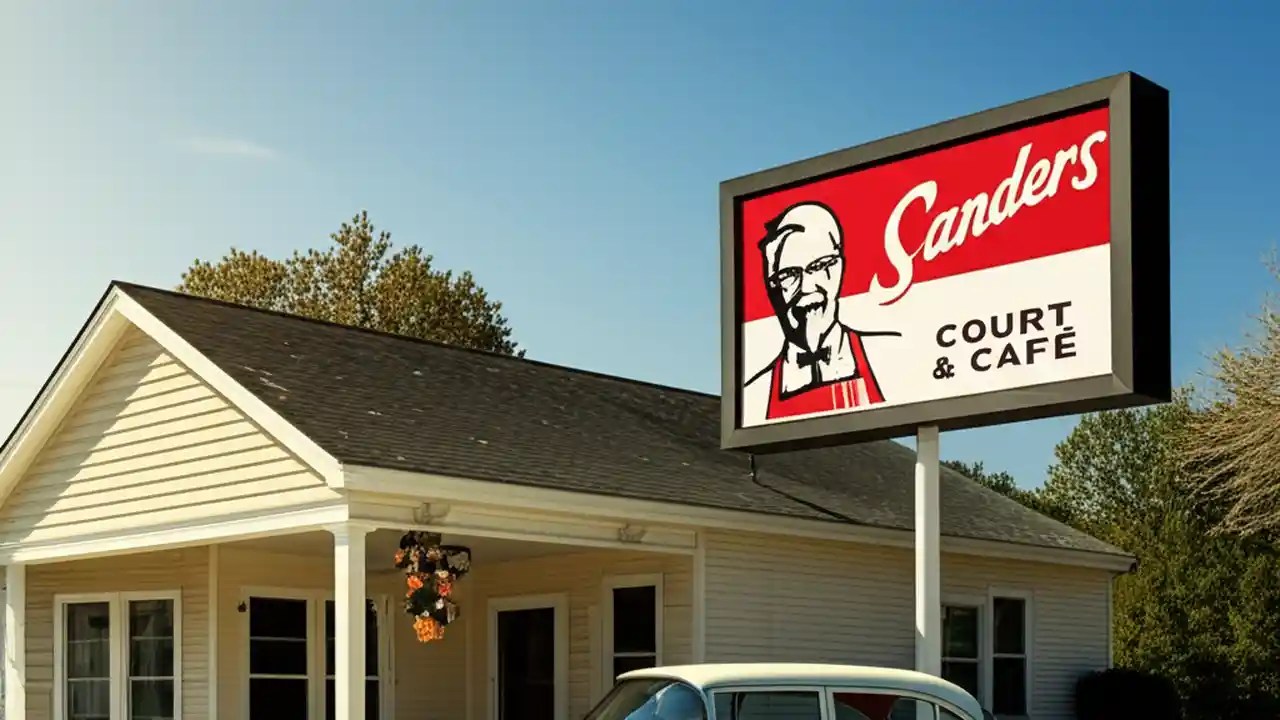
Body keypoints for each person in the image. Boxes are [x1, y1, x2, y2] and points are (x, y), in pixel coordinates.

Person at [744, 202, 887, 421]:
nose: (807, 287)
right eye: (788, 275)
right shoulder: (754, 395)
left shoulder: (884, 357)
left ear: (839, 268)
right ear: (771, 288)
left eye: (819, 266)